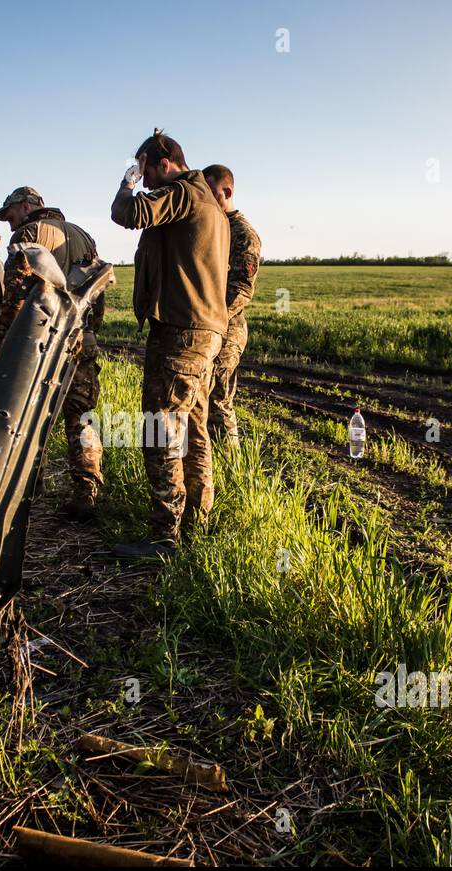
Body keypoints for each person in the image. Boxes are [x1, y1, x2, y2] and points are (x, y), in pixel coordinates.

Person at [110, 131, 230, 557]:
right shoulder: (206, 201)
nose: (144, 183)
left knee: (159, 429)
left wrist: (126, 184)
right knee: (194, 426)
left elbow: (130, 212)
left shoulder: (182, 192)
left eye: (146, 172)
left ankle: (164, 535)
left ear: (162, 163)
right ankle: (198, 519)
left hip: (181, 333)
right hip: (204, 332)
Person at [0, 186, 106, 518]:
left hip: (38, 345)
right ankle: (87, 492)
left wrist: (0, 345)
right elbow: (97, 291)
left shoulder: (28, 235)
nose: (9, 223)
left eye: (10, 214)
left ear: (27, 207)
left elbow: (14, 296)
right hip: (81, 341)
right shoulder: (83, 235)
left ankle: (28, 486)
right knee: (81, 417)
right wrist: (90, 331)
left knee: (27, 416)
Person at [202, 164, 261, 446]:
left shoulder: (243, 234)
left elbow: (241, 289)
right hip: (208, 325)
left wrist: (212, 319)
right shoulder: (211, 227)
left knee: (218, 397)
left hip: (227, 328)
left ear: (227, 191)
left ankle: (231, 462)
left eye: (211, 192)